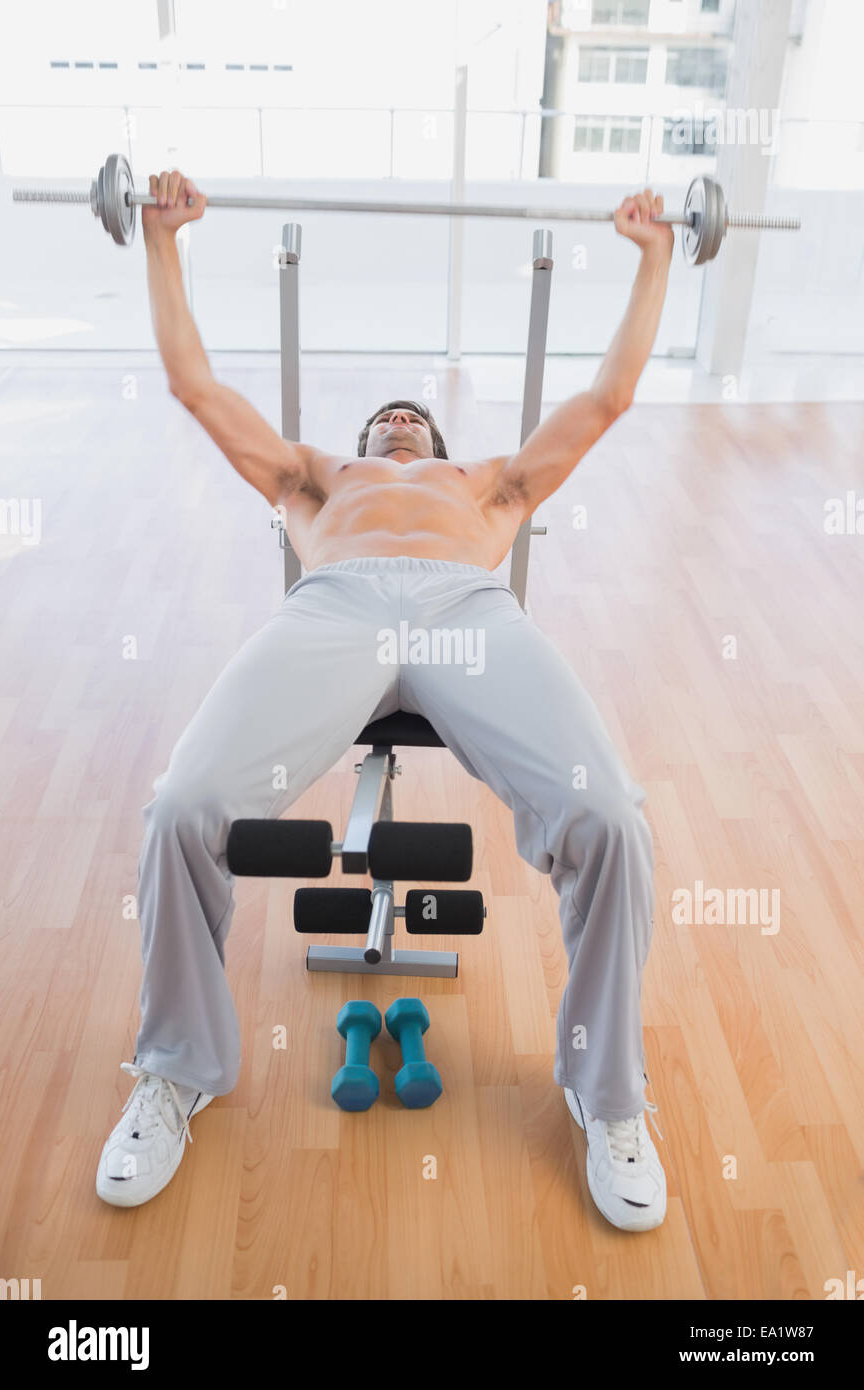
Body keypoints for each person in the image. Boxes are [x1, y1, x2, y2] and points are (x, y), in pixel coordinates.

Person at [96, 169, 674, 1232]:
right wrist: (163, 242)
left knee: (612, 819)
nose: (399, 419)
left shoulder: (489, 486)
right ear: (362, 445)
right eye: (384, 417)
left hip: (467, 607)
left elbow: (607, 400)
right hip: (336, 607)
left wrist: (652, 257)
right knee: (180, 804)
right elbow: (195, 387)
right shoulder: (315, 478)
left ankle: (609, 1099)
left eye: (414, 416)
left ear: (440, 449)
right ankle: (175, 1069)